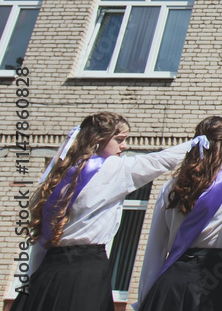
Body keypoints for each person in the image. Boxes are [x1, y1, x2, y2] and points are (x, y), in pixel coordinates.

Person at [13, 112, 204, 311]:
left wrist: (28, 285)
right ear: (98, 140)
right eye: (119, 140)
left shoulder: (58, 175)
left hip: (46, 274)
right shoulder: (112, 169)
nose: (124, 146)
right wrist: (201, 141)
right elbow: (160, 161)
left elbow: (39, 245)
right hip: (85, 274)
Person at [135, 116, 222, 311]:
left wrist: (144, 298)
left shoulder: (170, 188)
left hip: (173, 282)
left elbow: (155, 249)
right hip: (217, 282)